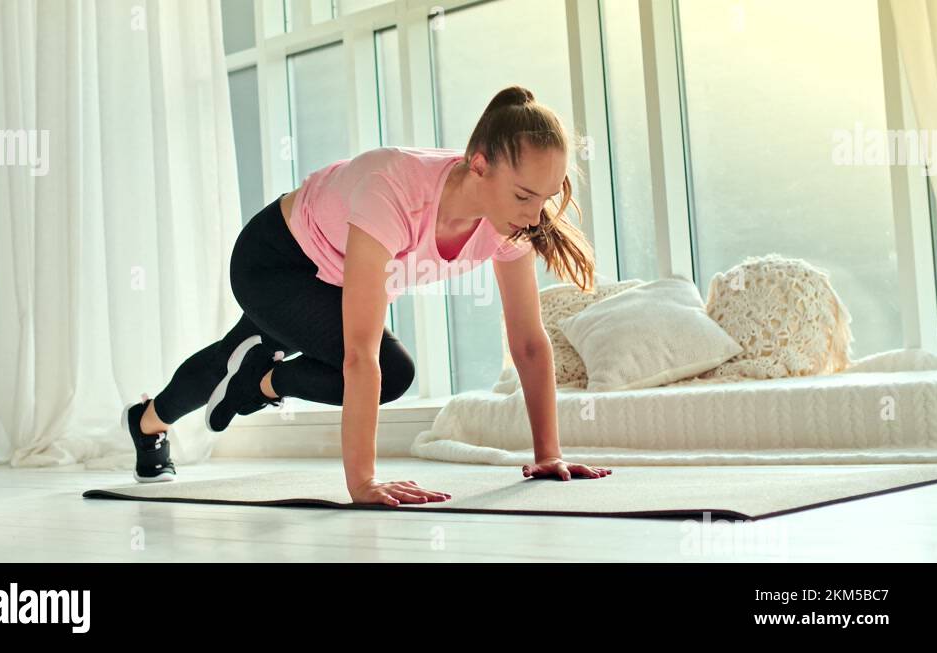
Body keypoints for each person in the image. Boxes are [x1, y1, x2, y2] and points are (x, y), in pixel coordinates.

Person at [121, 84, 611, 505]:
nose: (534, 216)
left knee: (233, 357)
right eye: (524, 195)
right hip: (274, 261)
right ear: (479, 165)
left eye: (546, 198)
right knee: (387, 369)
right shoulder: (395, 187)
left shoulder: (510, 226)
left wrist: (548, 455)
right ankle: (256, 382)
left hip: (333, 273)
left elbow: (527, 341)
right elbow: (358, 354)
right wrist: (364, 481)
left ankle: (151, 423)